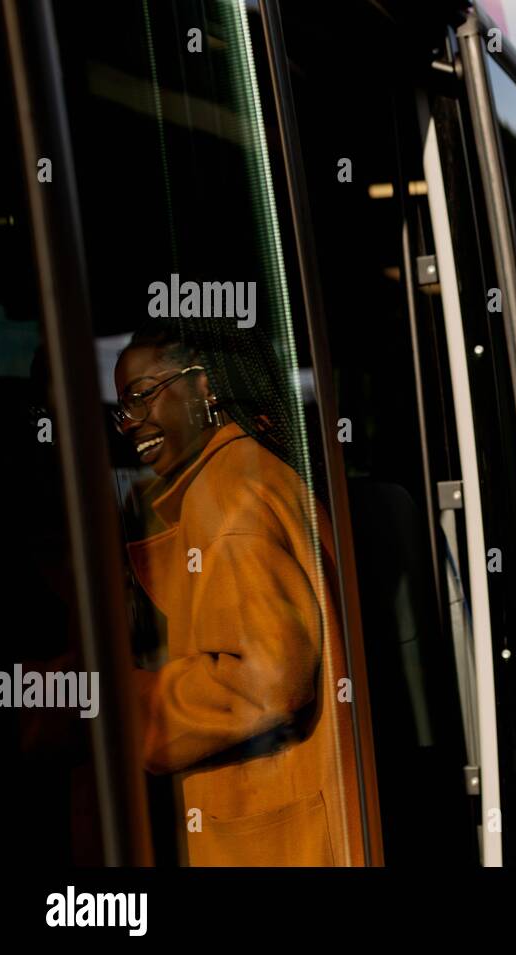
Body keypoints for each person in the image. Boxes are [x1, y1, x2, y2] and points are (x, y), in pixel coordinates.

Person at [112, 319, 363, 866]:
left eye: (142, 396)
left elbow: (268, 679)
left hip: (275, 838)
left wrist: (136, 707)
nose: (130, 422)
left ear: (205, 386)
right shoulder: (253, 471)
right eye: (123, 409)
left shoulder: (226, 493)